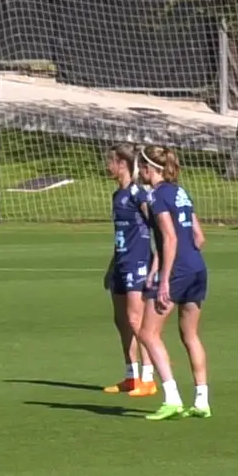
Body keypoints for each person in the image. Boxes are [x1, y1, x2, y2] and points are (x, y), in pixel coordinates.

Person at [136, 146, 210, 422]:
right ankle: (201, 400)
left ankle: (172, 398)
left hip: (177, 270)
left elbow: (169, 238)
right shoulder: (181, 192)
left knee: (147, 333)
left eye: (140, 167)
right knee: (190, 335)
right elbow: (199, 237)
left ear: (149, 169)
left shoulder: (156, 197)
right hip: (197, 268)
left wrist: (164, 278)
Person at [101, 144, 158, 398]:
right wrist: (112, 266)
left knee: (137, 321)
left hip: (139, 264)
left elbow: (157, 227)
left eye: (110, 161)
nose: (107, 166)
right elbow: (120, 234)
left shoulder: (139, 194)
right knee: (121, 321)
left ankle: (148, 378)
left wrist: (156, 263)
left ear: (122, 163)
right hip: (121, 264)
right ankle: (130, 376)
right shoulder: (117, 196)